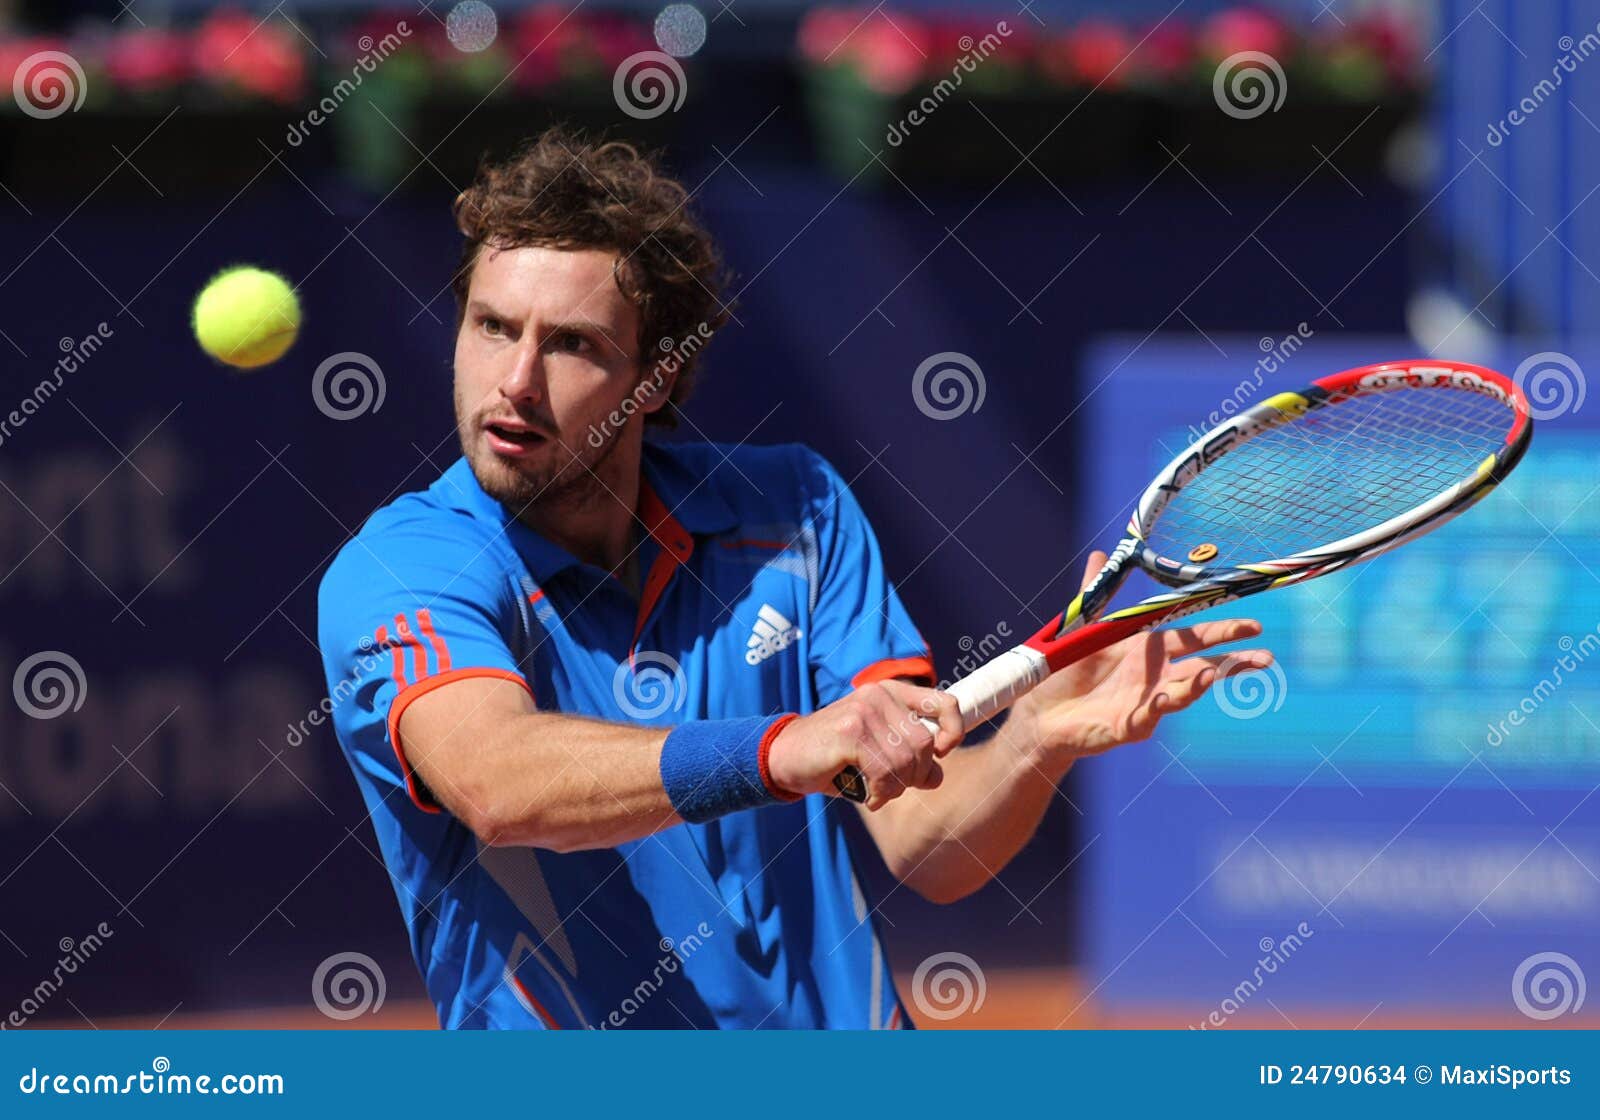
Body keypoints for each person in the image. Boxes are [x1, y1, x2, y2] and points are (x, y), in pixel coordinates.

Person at [316, 128, 1273, 1029]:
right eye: (491, 326)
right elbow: (499, 782)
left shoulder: (796, 510)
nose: (515, 380)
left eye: (571, 344)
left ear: (651, 381)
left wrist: (1030, 743)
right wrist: (784, 749)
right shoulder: (402, 568)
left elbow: (924, 845)